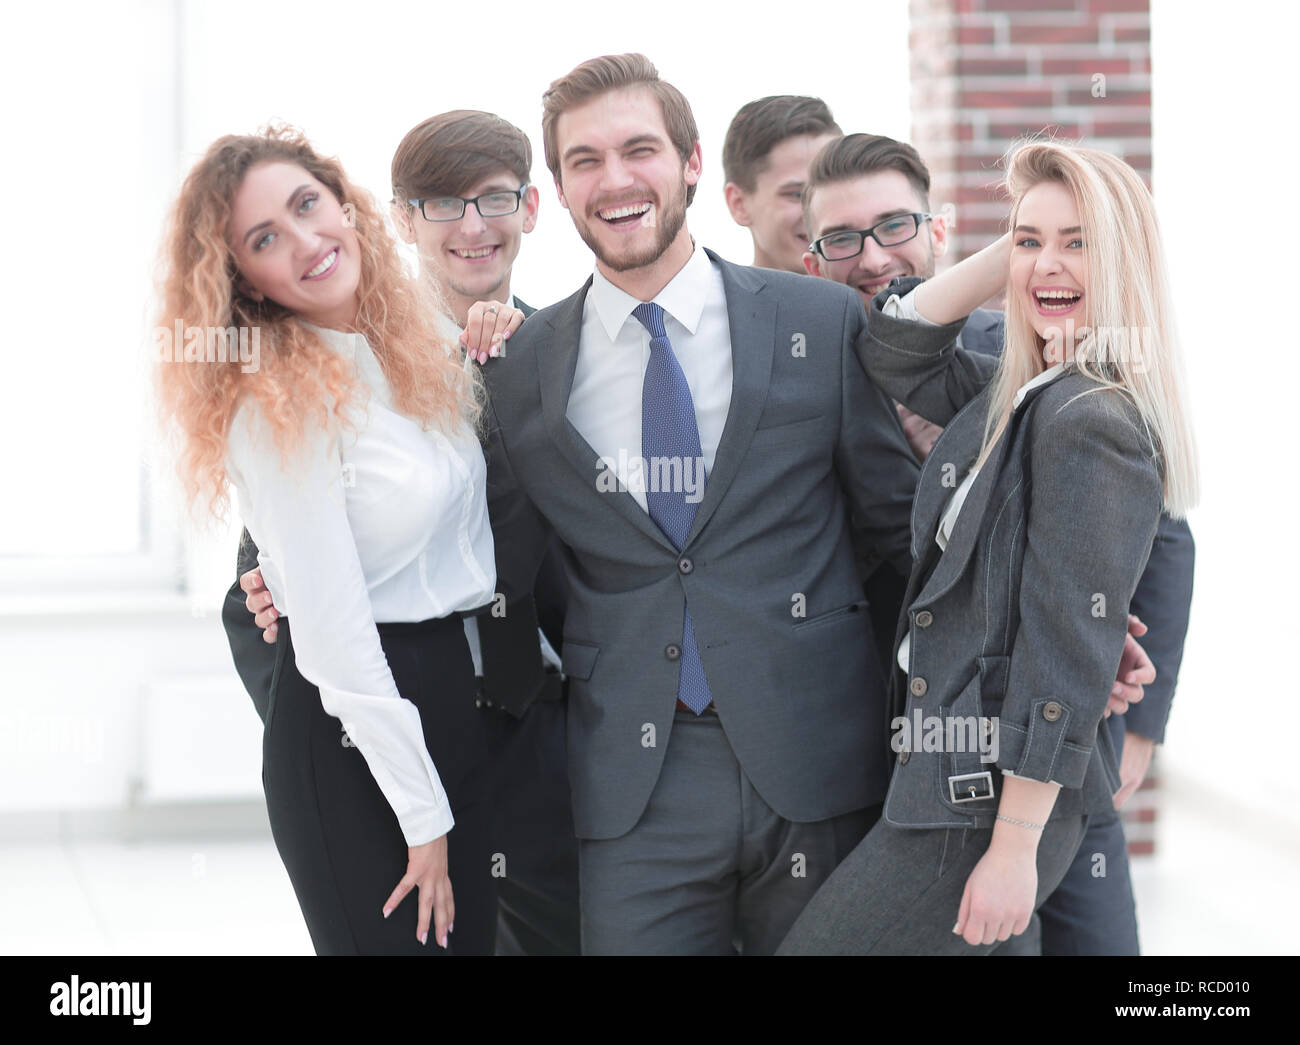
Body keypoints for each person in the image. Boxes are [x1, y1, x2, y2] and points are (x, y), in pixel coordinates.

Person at [778, 139, 1199, 954]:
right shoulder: (1026, 392)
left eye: (1080, 241)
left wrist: (1012, 850)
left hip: (984, 803)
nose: (1048, 263)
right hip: (946, 780)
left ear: (1123, 258)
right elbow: (895, 347)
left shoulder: (1089, 420)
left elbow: (1064, 648)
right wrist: (1020, 258)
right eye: (1030, 238)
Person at [229, 111, 581, 956]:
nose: (472, 225)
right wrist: (323, 717)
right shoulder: (297, 382)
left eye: (494, 199)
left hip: (533, 733)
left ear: (530, 209)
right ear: (398, 215)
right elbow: (269, 591)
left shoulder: (565, 350)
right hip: (376, 723)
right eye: (440, 204)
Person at [158, 125, 502, 955]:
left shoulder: (405, 346)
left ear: (345, 205)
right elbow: (338, 639)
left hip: (453, 698)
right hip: (356, 736)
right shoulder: (277, 402)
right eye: (266, 238)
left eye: (308, 205)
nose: (307, 241)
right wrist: (422, 821)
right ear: (243, 279)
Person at [721, 95, 840, 274]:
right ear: (739, 204)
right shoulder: (714, 300)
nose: (821, 212)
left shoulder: (887, 297)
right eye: (797, 195)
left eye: (833, 191)